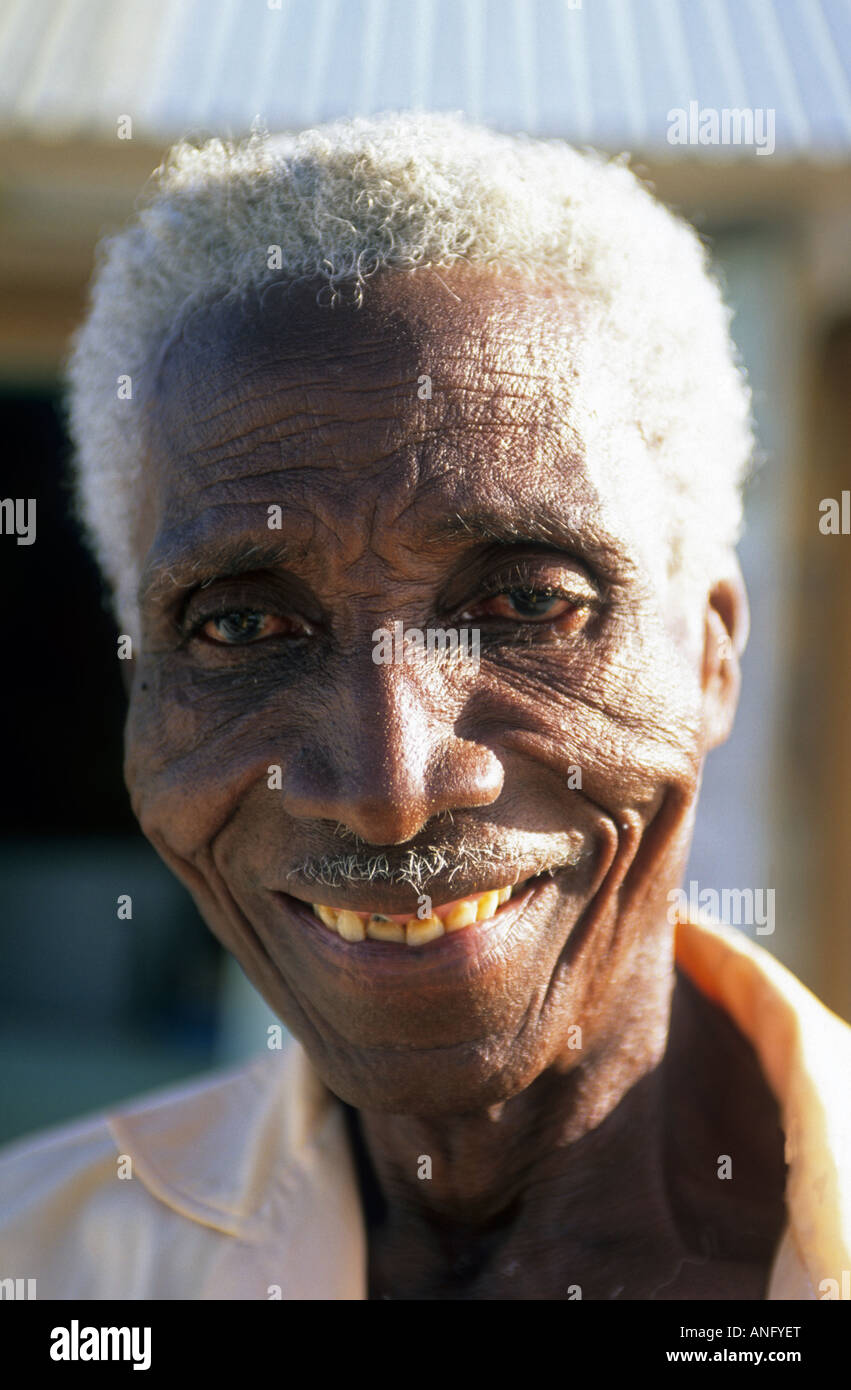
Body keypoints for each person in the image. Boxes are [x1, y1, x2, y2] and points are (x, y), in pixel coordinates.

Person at [1, 112, 849, 1300]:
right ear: (146, 691)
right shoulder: (44, 1263)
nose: (390, 786)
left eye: (522, 601)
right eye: (242, 625)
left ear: (708, 654)